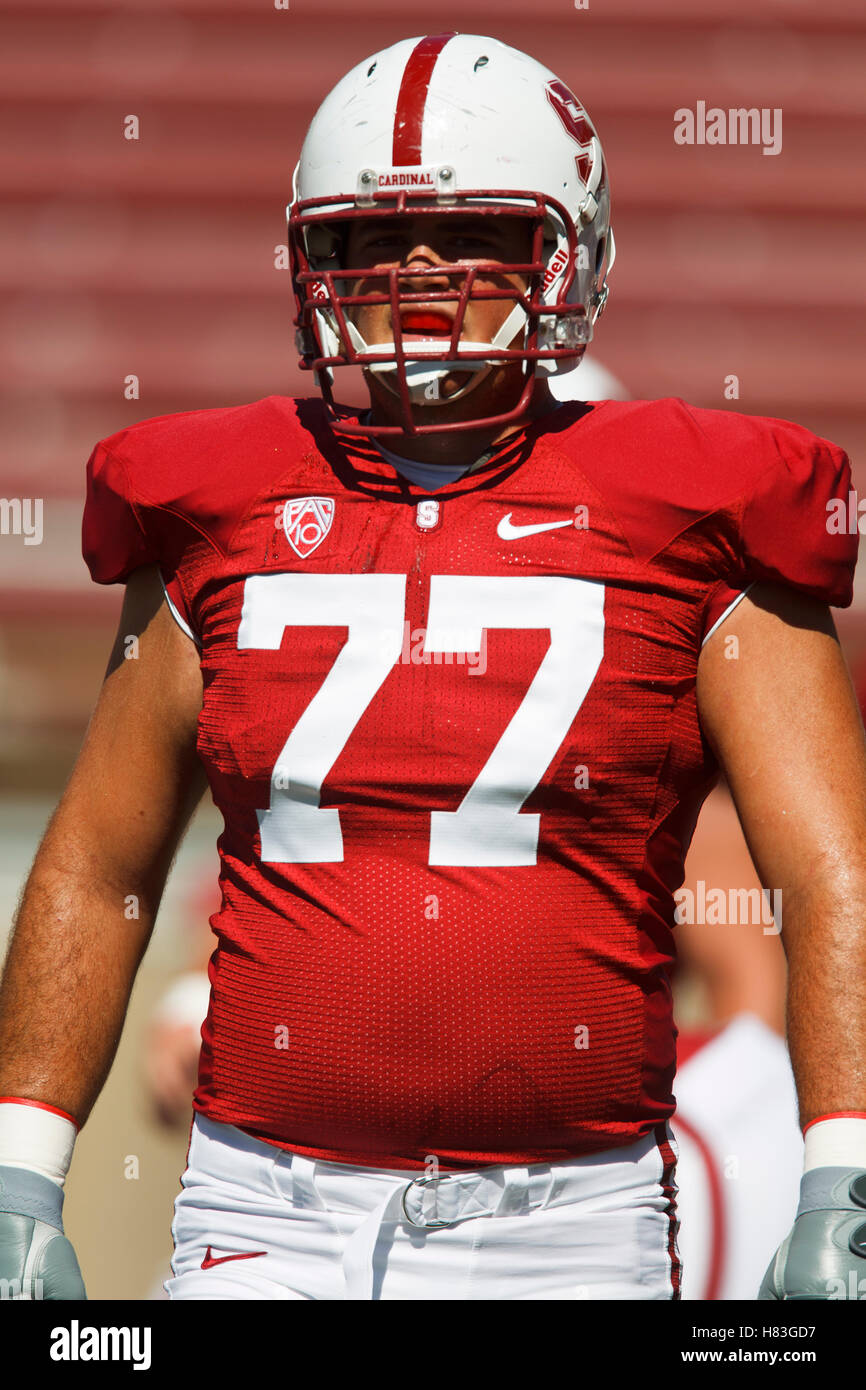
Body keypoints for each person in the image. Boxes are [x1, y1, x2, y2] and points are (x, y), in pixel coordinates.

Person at [1, 31, 865, 1302]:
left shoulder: (691, 510)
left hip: (566, 1220)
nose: (411, 274)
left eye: (465, 235)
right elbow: (96, 862)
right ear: (309, 261)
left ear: (561, 252)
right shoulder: (219, 506)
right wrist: (24, 1166)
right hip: (261, 1204)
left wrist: (837, 1171)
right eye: (361, 241)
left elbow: (826, 867)